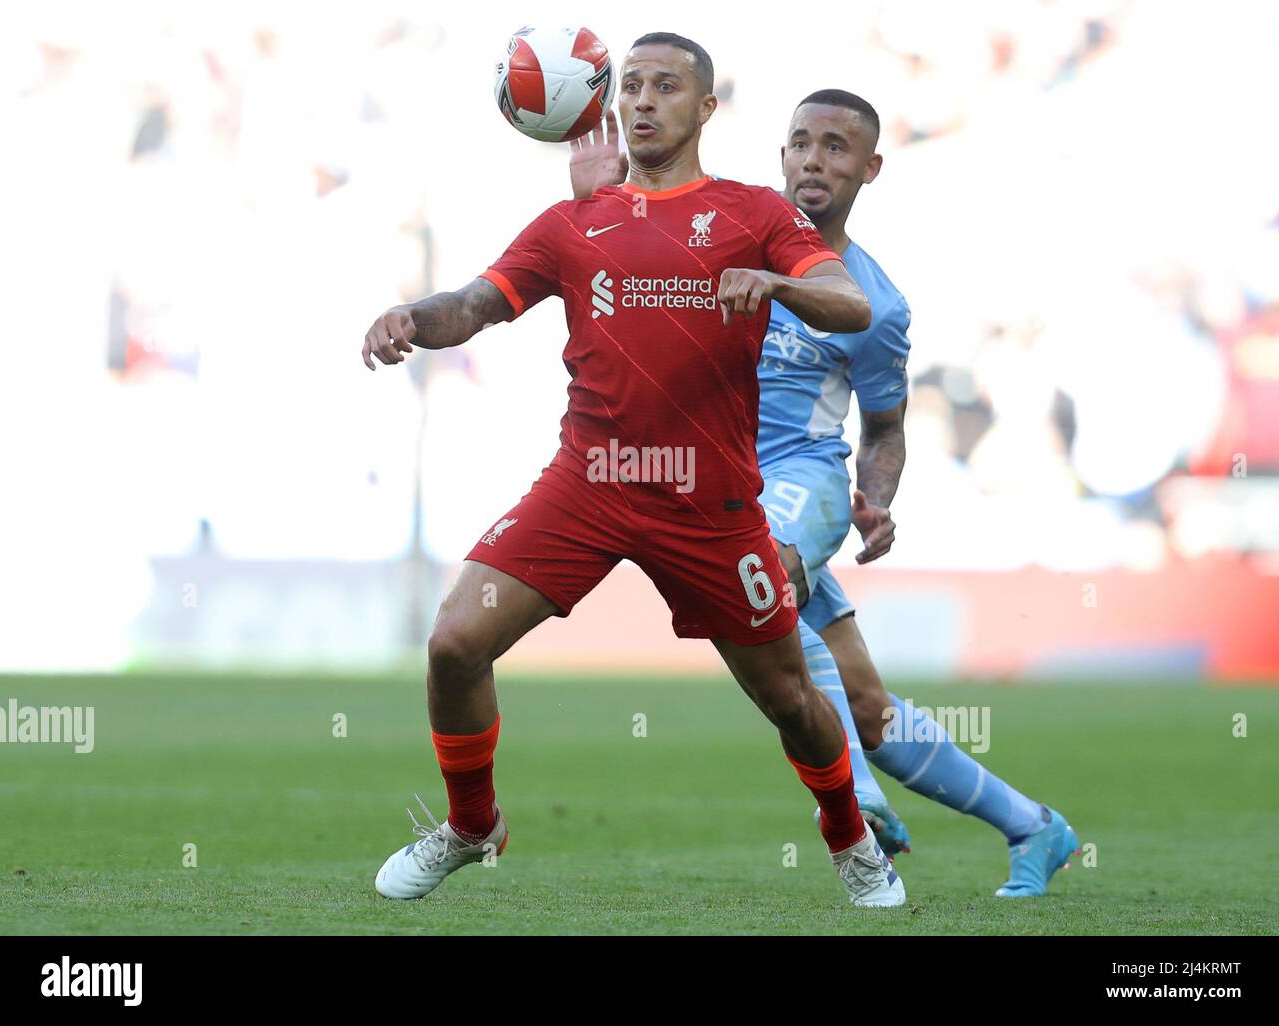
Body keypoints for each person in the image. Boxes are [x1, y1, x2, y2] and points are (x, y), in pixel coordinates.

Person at [362, 34, 905, 908]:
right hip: (590, 484)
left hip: (713, 503)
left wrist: (772, 281)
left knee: (790, 700)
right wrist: (409, 318)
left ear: (706, 110)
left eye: (666, 87)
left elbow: (852, 302)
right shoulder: (573, 222)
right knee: (454, 644)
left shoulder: (754, 214)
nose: (643, 102)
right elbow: (473, 304)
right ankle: (472, 826)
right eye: (633, 88)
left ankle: (848, 836)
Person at [571, 88, 1079, 897]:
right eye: (801, 142)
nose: (814, 159)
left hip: (800, 489)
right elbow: (621, 270)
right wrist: (597, 199)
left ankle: (860, 805)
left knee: (761, 596)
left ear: (868, 168)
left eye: (836, 148)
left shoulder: (871, 306)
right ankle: (1035, 827)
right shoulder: (723, 234)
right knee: (869, 708)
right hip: (717, 491)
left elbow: (885, 427)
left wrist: (875, 495)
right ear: (781, 155)